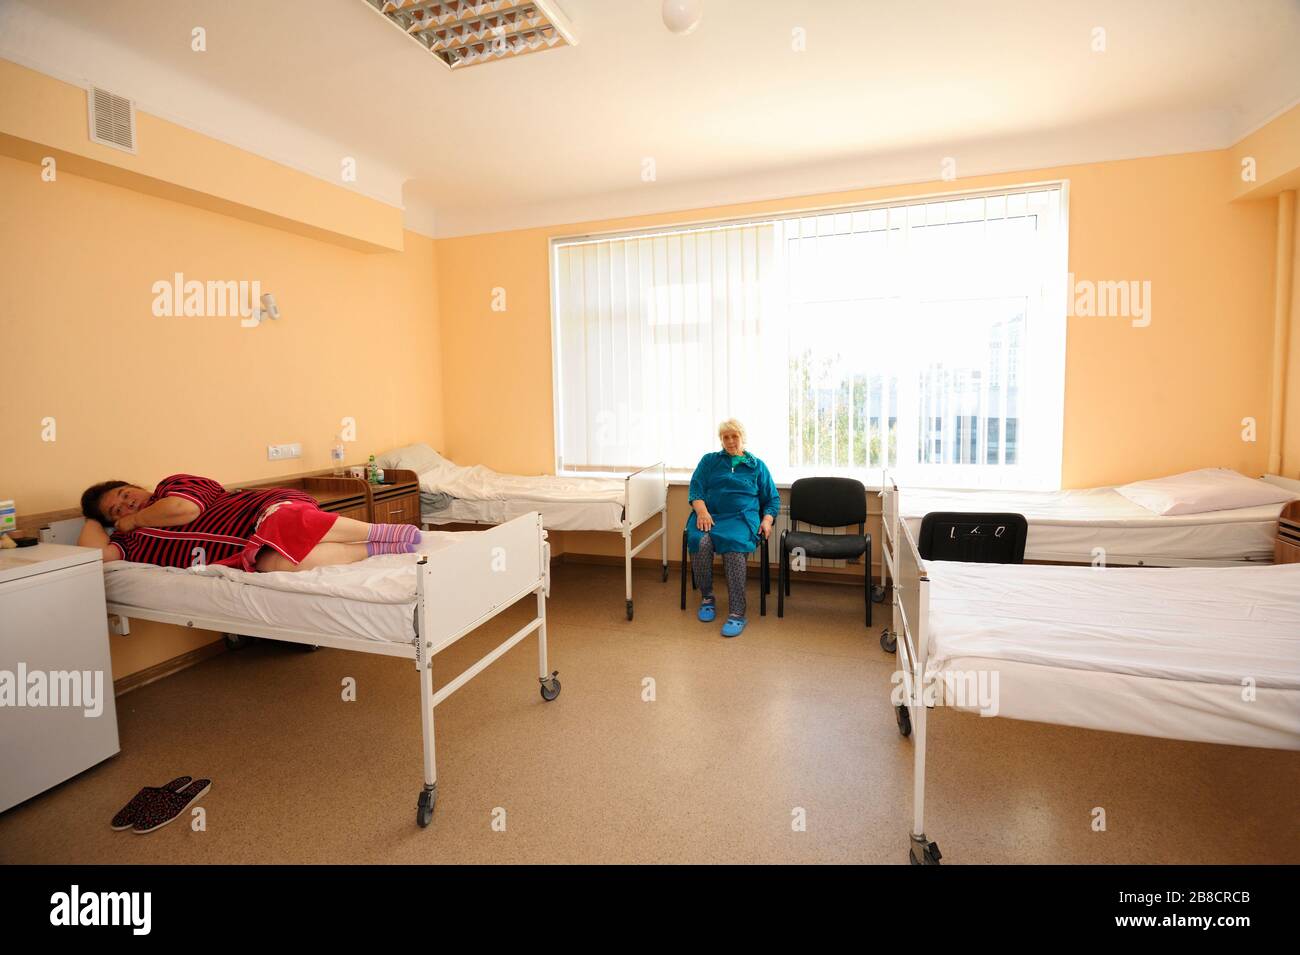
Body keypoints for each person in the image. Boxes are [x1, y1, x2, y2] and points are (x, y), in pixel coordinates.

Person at [77, 473, 421, 572]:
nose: (126, 504)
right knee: (279, 563)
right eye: (116, 510)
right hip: (243, 553)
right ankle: (373, 548)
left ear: (136, 485)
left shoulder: (174, 486)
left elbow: (185, 510)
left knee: (287, 521)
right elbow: (95, 556)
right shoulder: (129, 542)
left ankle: (383, 531)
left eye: (124, 494)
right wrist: (92, 520)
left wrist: (133, 518)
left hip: (259, 511)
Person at [686, 419, 780, 637]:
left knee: (734, 547)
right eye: (725, 437)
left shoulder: (757, 466)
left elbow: (772, 499)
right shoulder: (709, 461)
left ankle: (737, 612)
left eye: (734, 436)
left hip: (741, 518)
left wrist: (767, 520)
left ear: (742, 437)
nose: (730, 441)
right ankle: (707, 597)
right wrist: (702, 511)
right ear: (721, 440)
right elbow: (695, 490)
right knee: (700, 542)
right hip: (710, 515)